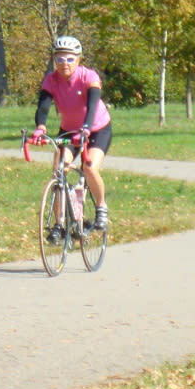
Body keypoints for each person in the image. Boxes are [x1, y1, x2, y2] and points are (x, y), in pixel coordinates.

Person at [31, 35, 112, 243]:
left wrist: (86, 128)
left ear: (78, 59)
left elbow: (93, 105)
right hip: (68, 131)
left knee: (89, 167)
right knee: (59, 171)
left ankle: (101, 207)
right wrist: (40, 127)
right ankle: (59, 224)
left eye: (69, 59)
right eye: (59, 59)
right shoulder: (51, 80)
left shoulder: (88, 77)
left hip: (96, 129)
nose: (64, 64)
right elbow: (43, 106)